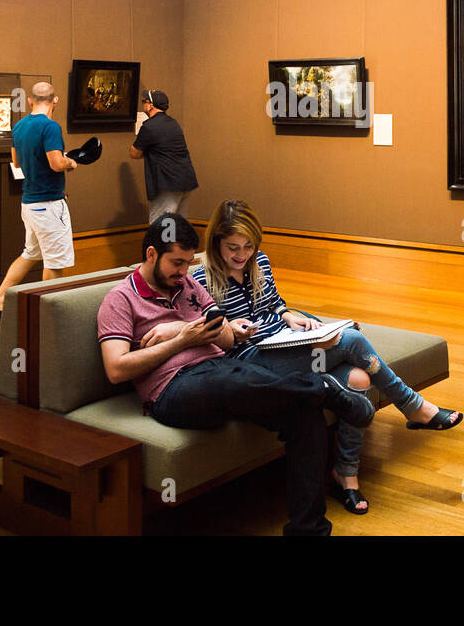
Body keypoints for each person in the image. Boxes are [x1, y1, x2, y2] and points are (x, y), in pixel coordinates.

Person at [97, 214, 375, 536]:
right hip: (174, 388)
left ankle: (308, 529)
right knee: (233, 380)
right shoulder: (120, 300)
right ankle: (322, 388)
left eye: (188, 263)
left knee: (305, 415)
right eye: (177, 263)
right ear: (150, 255)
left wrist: (210, 330)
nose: (184, 272)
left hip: (226, 369)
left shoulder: (189, 286)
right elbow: (116, 369)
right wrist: (184, 340)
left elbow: (226, 339)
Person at [190, 199, 461, 515]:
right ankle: (412, 406)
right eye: (233, 247)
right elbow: (204, 341)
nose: (242, 255)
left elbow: (275, 304)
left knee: (359, 378)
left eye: (248, 246)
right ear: (215, 243)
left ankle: (346, 475)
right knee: (353, 340)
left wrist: (289, 316)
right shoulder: (200, 280)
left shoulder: (259, 262)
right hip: (251, 361)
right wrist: (231, 331)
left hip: (284, 344)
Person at [0, 82, 77, 319]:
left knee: (30, 254)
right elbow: (56, 163)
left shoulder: (20, 126)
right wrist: (70, 162)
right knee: (54, 262)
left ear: (31, 101)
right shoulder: (51, 127)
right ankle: (47, 315)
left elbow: (17, 162)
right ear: (55, 100)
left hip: (29, 203)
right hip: (49, 204)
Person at [128, 89, 197, 224]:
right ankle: (175, 245)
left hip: (168, 184)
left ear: (151, 105)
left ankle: (162, 246)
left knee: (162, 227)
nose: (143, 105)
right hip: (186, 181)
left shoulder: (149, 126)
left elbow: (134, 153)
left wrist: (146, 152)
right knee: (178, 226)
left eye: (144, 101)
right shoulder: (173, 123)